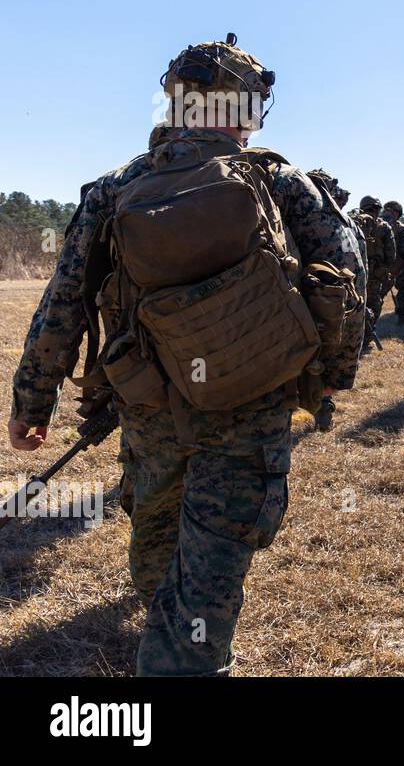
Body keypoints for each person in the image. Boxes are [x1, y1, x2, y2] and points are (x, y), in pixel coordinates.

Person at [7, 35, 365, 675]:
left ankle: (171, 644)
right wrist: (331, 377)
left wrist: (33, 403)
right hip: (248, 420)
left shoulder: (115, 190)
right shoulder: (280, 181)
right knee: (206, 588)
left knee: (156, 559)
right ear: (240, 108)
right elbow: (344, 275)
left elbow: (63, 303)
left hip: (149, 419)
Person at [307, 169, 368, 430]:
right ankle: (322, 403)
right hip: (343, 302)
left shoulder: (297, 216)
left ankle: (317, 403)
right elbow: (363, 264)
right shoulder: (347, 223)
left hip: (311, 297)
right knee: (332, 353)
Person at [350, 195, 397, 346]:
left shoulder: (351, 222)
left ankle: (354, 335)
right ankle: (366, 337)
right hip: (374, 275)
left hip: (351, 274)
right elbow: (391, 254)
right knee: (374, 304)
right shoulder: (384, 227)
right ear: (377, 209)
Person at [381, 200, 404, 273]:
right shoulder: (401, 228)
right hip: (382, 265)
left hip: (389, 266)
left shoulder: (401, 228)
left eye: (394, 211)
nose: (391, 213)